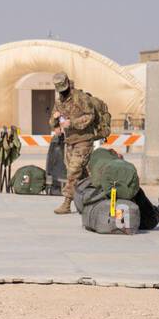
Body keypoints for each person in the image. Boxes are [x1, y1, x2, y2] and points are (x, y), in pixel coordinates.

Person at [49, 71, 99, 214]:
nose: (61, 92)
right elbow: (53, 119)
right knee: (81, 174)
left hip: (83, 140)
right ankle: (93, 198)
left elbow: (90, 115)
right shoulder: (59, 101)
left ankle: (66, 203)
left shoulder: (81, 98)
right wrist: (55, 123)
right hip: (69, 141)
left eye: (63, 89)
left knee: (73, 172)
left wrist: (73, 123)